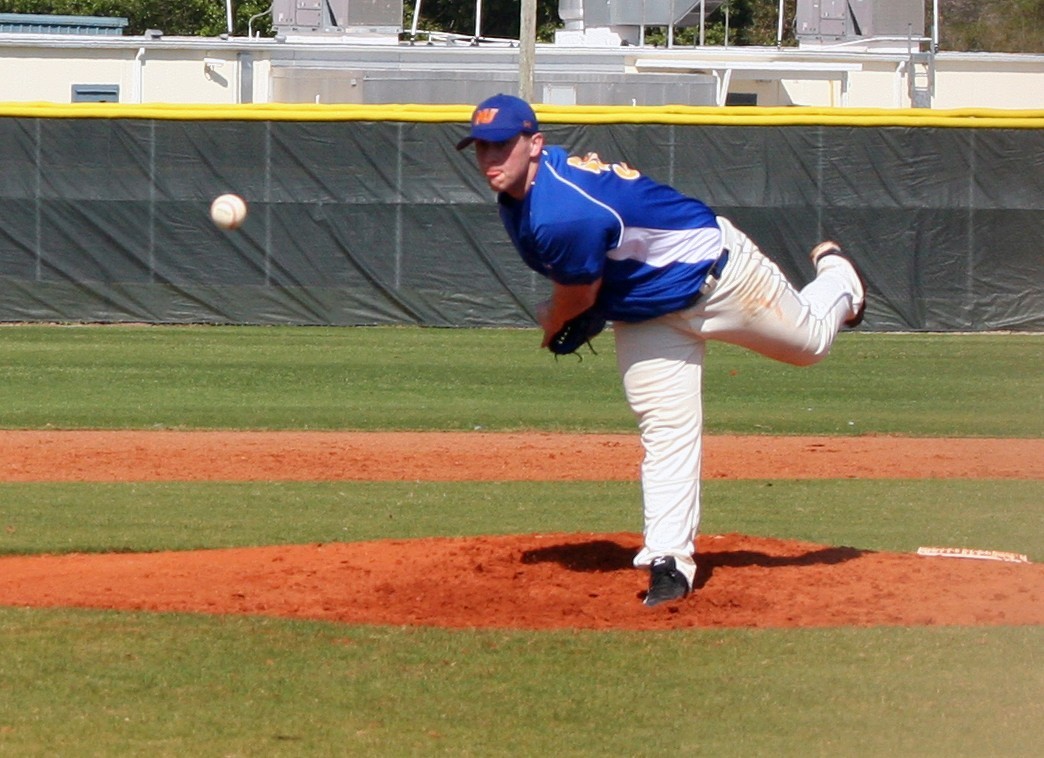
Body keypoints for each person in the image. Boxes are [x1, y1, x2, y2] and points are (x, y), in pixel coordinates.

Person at [456, 94, 866, 607]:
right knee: (665, 430)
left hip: (720, 280)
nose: (490, 158)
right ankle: (669, 560)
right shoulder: (523, 197)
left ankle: (840, 280)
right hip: (648, 313)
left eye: (502, 145)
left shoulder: (561, 208)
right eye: (481, 147)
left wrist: (550, 321)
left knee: (810, 343)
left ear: (535, 144)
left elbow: (577, 294)